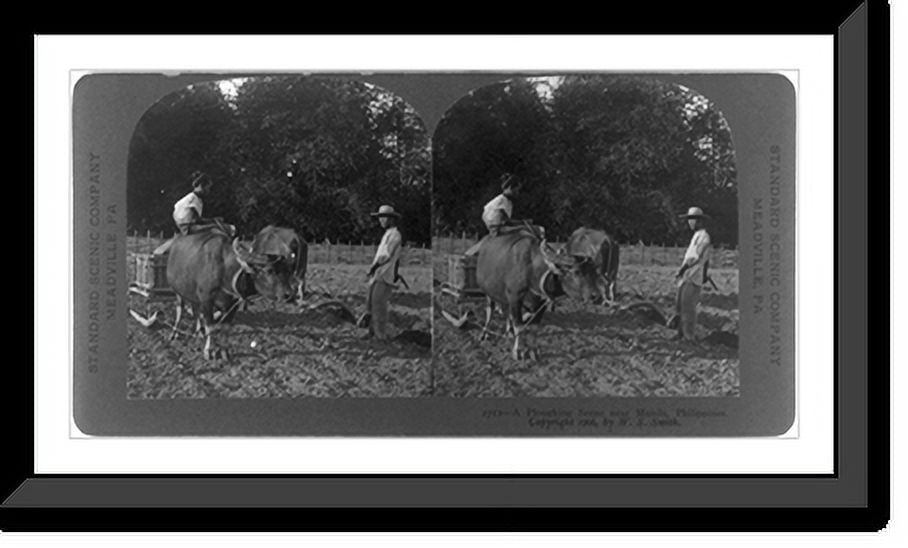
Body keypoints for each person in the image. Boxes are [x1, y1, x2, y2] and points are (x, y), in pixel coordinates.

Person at [154, 171, 231, 256]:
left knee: (215, 226)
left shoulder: (190, 198)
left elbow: (195, 219)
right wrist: (213, 221)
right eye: (207, 188)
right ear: (202, 186)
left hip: (183, 226)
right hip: (188, 228)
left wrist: (213, 220)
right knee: (216, 229)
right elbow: (198, 220)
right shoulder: (194, 200)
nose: (208, 191)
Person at [362, 205, 403, 341]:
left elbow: (386, 256)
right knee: (371, 304)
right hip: (379, 274)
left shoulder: (395, 235)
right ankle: (372, 332)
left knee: (378, 304)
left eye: (383, 218)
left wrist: (373, 268)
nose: (381, 220)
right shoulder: (387, 235)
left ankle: (381, 335)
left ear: (391, 219)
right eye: (380, 218)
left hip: (384, 275)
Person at [674, 206, 712, 341]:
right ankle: (680, 334)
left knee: (688, 307)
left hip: (693, 277)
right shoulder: (696, 236)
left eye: (691, 219)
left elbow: (695, 257)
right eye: (689, 219)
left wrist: (682, 269)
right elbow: (705, 260)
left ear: (698, 221)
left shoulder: (703, 237)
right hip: (689, 276)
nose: (689, 222)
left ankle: (689, 336)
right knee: (680, 306)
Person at [464, 173, 521, 257]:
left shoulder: (506, 201)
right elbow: (506, 221)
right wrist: (521, 223)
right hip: (496, 227)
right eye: (517, 190)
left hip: (495, 225)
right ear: (510, 188)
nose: (518, 193)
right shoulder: (502, 201)